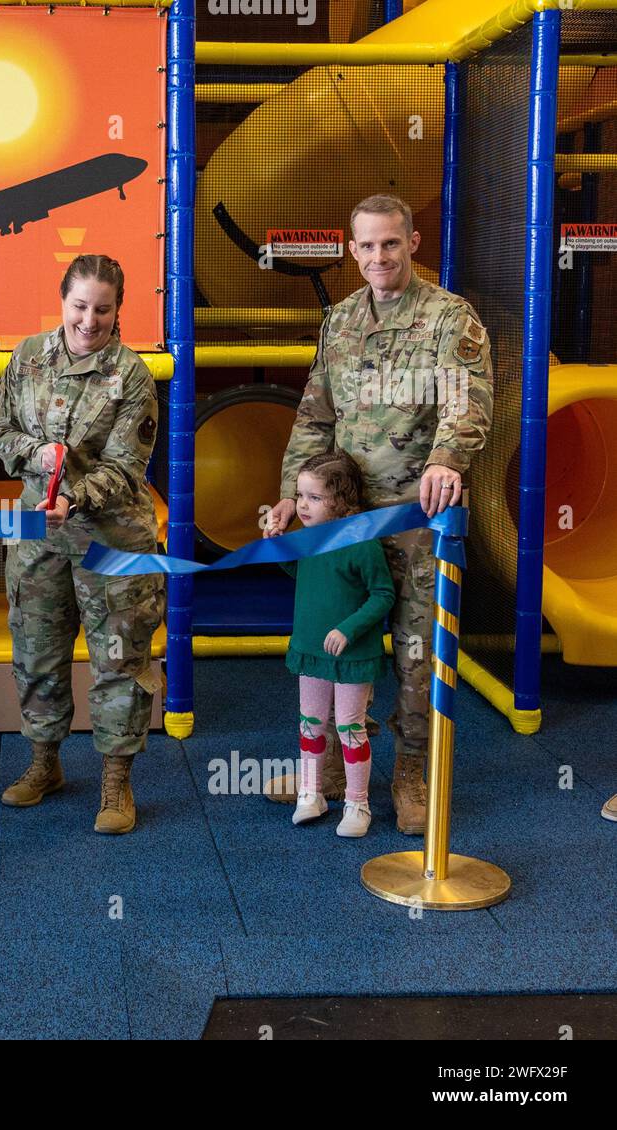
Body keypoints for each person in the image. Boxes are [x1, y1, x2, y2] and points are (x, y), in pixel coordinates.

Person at [265, 194, 493, 834]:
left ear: (413, 243)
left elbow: (467, 401)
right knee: (336, 647)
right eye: (365, 246)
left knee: (416, 654)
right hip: (342, 529)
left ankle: (411, 774)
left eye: (389, 243)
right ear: (351, 248)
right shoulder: (338, 321)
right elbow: (315, 417)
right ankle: (332, 769)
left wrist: (447, 457)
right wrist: (292, 492)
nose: (377, 257)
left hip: (419, 521)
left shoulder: (450, 319)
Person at [0, 254, 164, 834]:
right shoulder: (27, 356)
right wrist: (33, 455)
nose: (90, 320)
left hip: (109, 535)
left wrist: (74, 498)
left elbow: (125, 465)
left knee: (119, 657)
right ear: (62, 301)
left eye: (103, 309)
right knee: (36, 649)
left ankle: (117, 782)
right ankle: (44, 763)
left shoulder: (130, 374)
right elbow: (0, 428)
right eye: (79, 306)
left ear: (119, 309)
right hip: (38, 534)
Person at [268, 452, 394, 837]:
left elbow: (383, 594)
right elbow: (302, 572)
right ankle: (312, 792)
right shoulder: (307, 538)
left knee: (349, 726)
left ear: (340, 501)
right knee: (311, 724)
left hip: (352, 654)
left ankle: (358, 802)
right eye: (300, 496)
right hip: (310, 650)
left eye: (314, 498)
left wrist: (348, 629)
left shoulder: (361, 543)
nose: (302, 505)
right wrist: (278, 548)